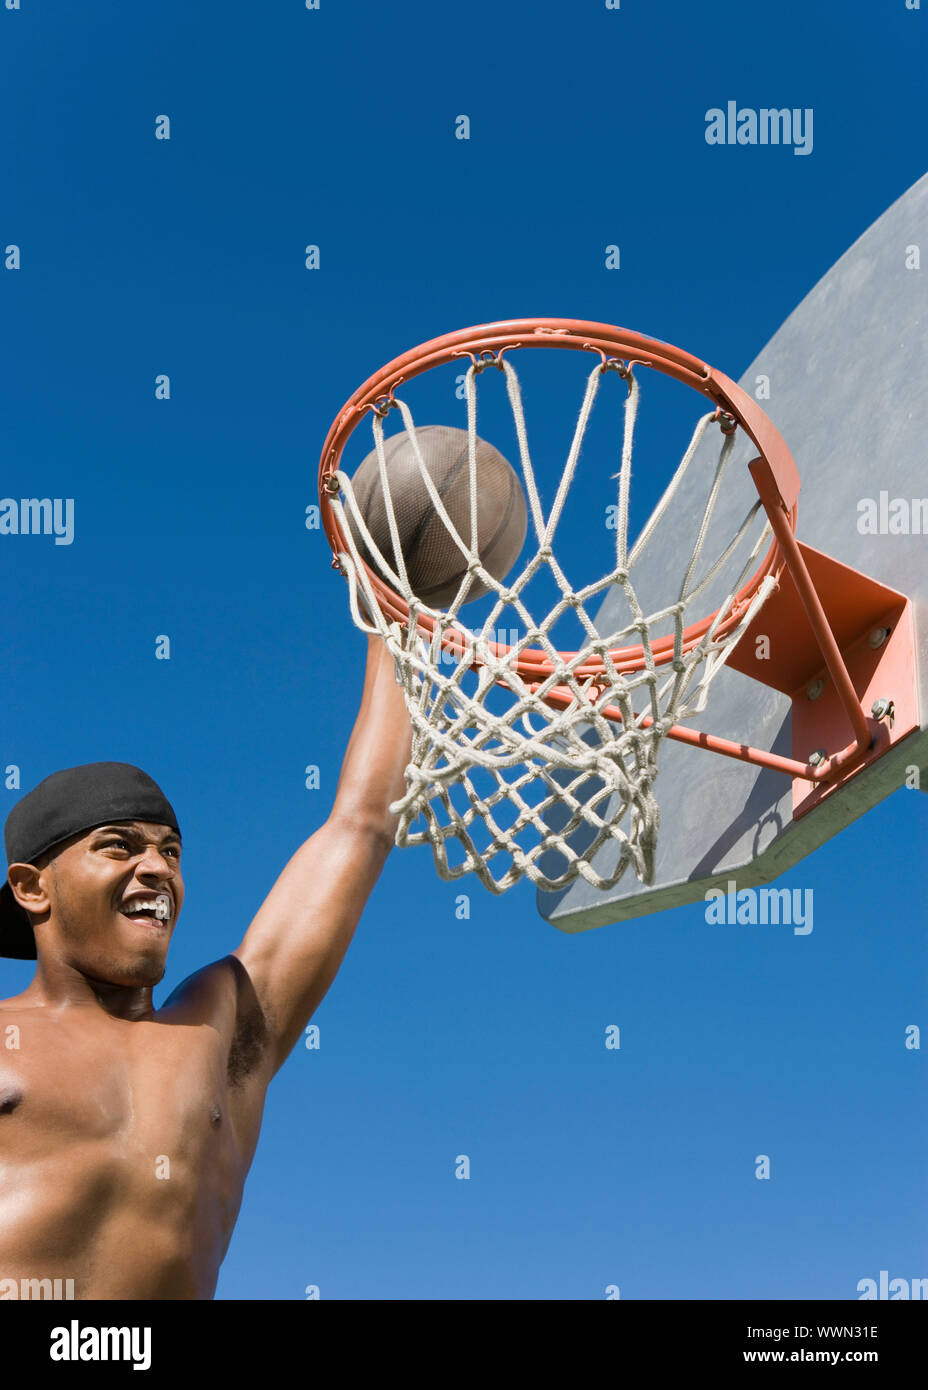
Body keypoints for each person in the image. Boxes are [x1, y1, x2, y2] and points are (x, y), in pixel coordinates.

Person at [0, 635, 411, 1299]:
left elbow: (361, 824)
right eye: (118, 847)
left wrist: (398, 615)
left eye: (171, 851)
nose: (157, 868)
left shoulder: (218, 1029)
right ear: (32, 888)